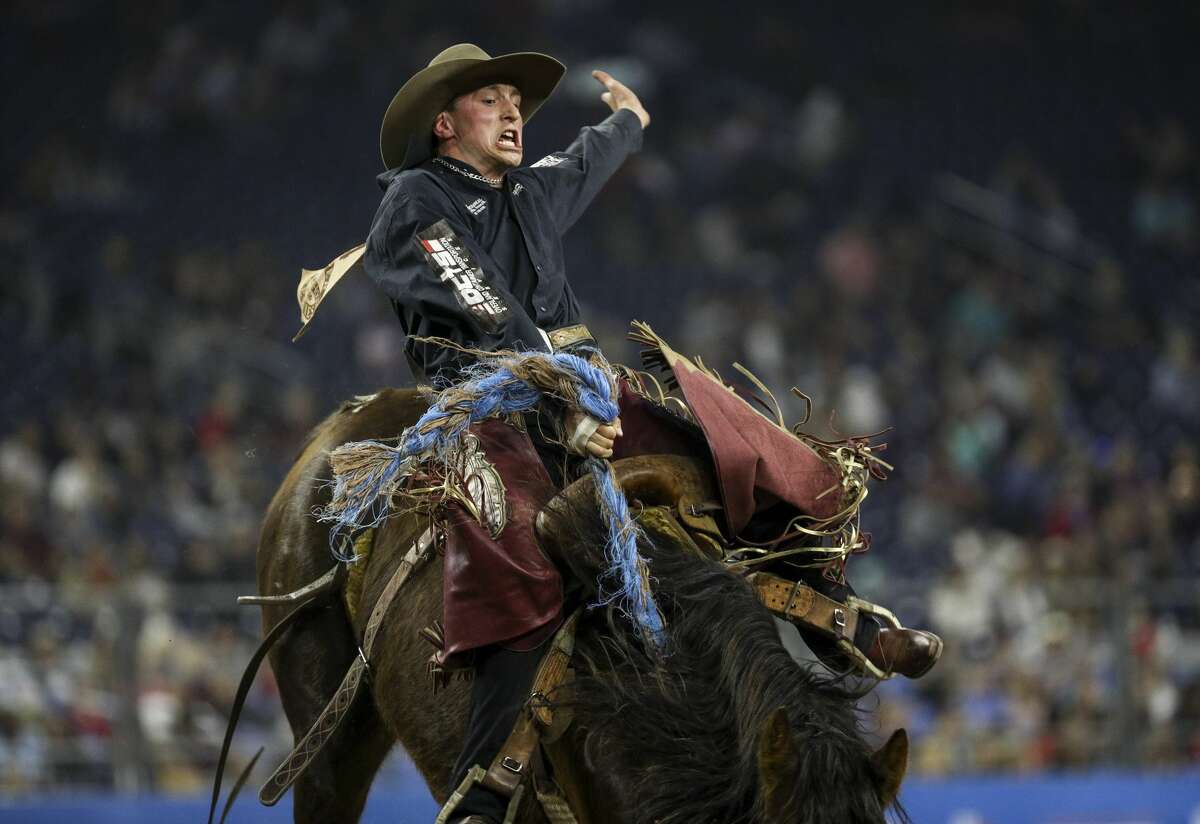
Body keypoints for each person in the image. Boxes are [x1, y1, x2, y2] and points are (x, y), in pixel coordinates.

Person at [362, 44, 939, 824]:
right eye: (490, 99)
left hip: (585, 394)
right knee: (518, 547)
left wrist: (627, 122)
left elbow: (581, 166)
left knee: (735, 452)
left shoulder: (528, 191)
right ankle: (485, 786)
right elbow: (483, 303)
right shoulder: (414, 203)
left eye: (513, 99)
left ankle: (849, 619)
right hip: (487, 400)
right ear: (443, 124)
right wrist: (563, 394)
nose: (511, 111)